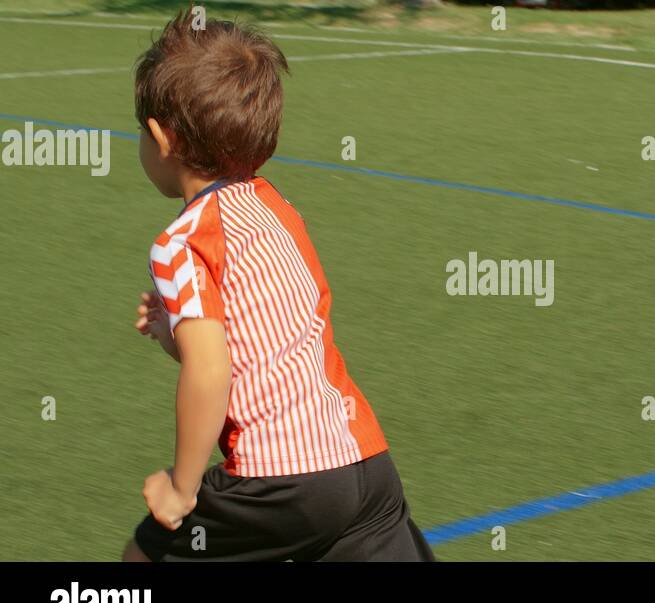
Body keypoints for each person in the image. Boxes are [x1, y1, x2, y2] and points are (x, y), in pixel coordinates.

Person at [122, 9, 433, 562]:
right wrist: (177, 334)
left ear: (160, 138)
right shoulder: (276, 208)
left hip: (280, 481)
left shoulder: (182, 241)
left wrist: (182, 488)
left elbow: (211, 371)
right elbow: (259, 341)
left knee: (142, 561)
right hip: (363, 466)